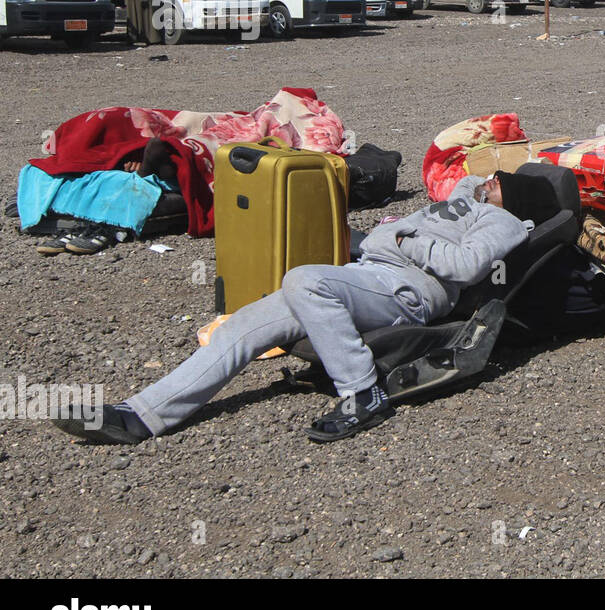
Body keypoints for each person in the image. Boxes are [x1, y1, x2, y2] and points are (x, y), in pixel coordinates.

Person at [53, 170, 562, 444]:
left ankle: (362, 395)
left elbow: (465, 266)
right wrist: (392, 233)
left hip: (407, 291)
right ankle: (141, 415)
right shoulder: (466, 201)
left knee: (304, 280)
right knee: (244, 327)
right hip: (370, 276)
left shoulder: (501, 222)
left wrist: (405, 238)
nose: (488, 177)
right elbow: (448, 194)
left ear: (510, 197)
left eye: (498, 180)